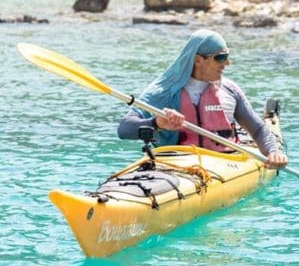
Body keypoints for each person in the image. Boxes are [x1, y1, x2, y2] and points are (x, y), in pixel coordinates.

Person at [118, 29, 288, 168]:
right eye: (220, 57)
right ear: (198, 59)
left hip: (225, 163)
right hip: (176, 166)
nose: (226, 63)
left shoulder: (230, 90)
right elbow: (124, 129)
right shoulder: (163, 91)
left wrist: (273, 153)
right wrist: (156, 123)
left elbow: (258, 129)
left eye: (227, 56)